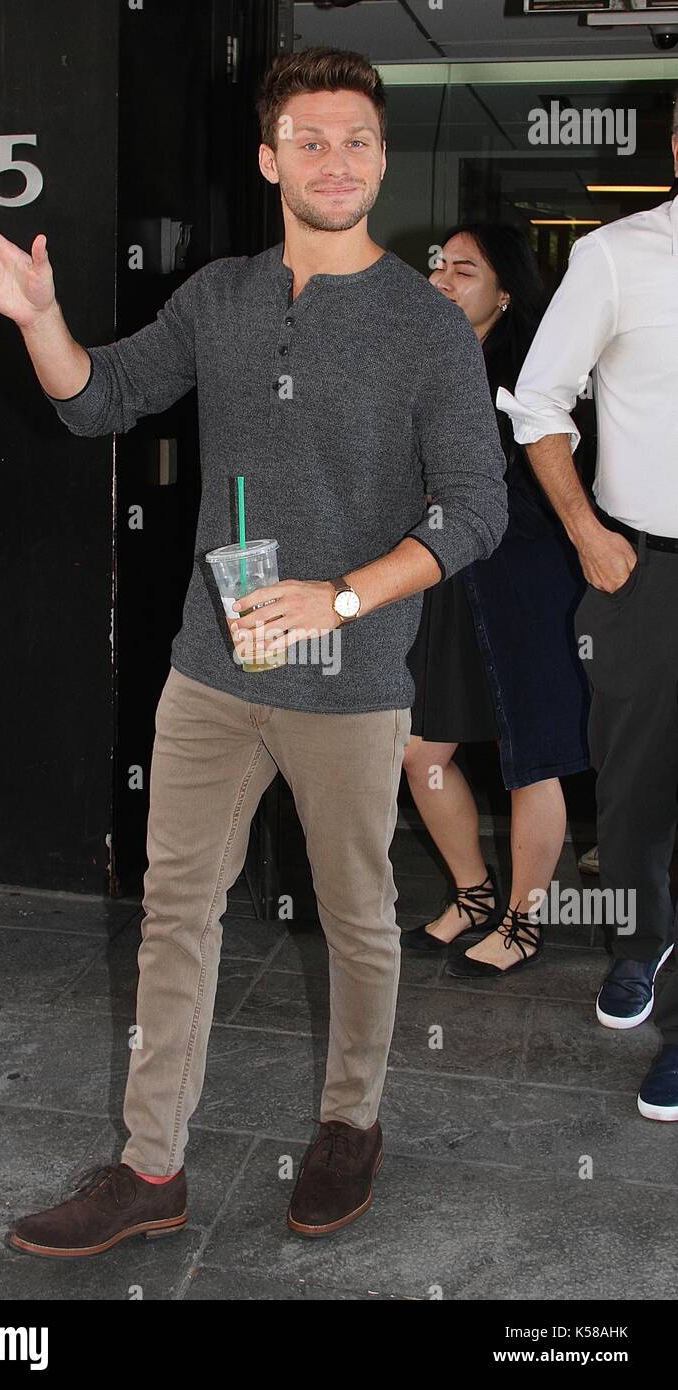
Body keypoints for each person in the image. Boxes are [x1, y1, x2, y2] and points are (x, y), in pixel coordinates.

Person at [0, 46, 507, 1252]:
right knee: (174, 915)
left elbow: (475, 508)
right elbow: (97, 398)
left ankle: (349, 1122)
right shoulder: (220, 296)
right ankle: (152, 1169)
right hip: (209, 672)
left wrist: (339, 600)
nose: (334, 159)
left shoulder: (427, 327)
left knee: (356, 919)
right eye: (308, 138)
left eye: (355, 138)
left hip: (349, 681)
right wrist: (43, 321)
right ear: (268, 159)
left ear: (382, 157)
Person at [498, 94, 678, 1120]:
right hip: (639, 573)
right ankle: (641, 937)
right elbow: (536, 402)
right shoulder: (614, 257)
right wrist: (584, 531)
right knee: (637, 792)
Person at [402, 223, 590, 977]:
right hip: (441, 580)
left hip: (521, 582)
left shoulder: (533, 378)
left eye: (465, 270)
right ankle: (474, 894)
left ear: (505, 293)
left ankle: (522, 920)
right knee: (422, 753)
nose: (442, 279)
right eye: (438, 266)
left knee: (528, 756)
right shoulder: (422, 366)